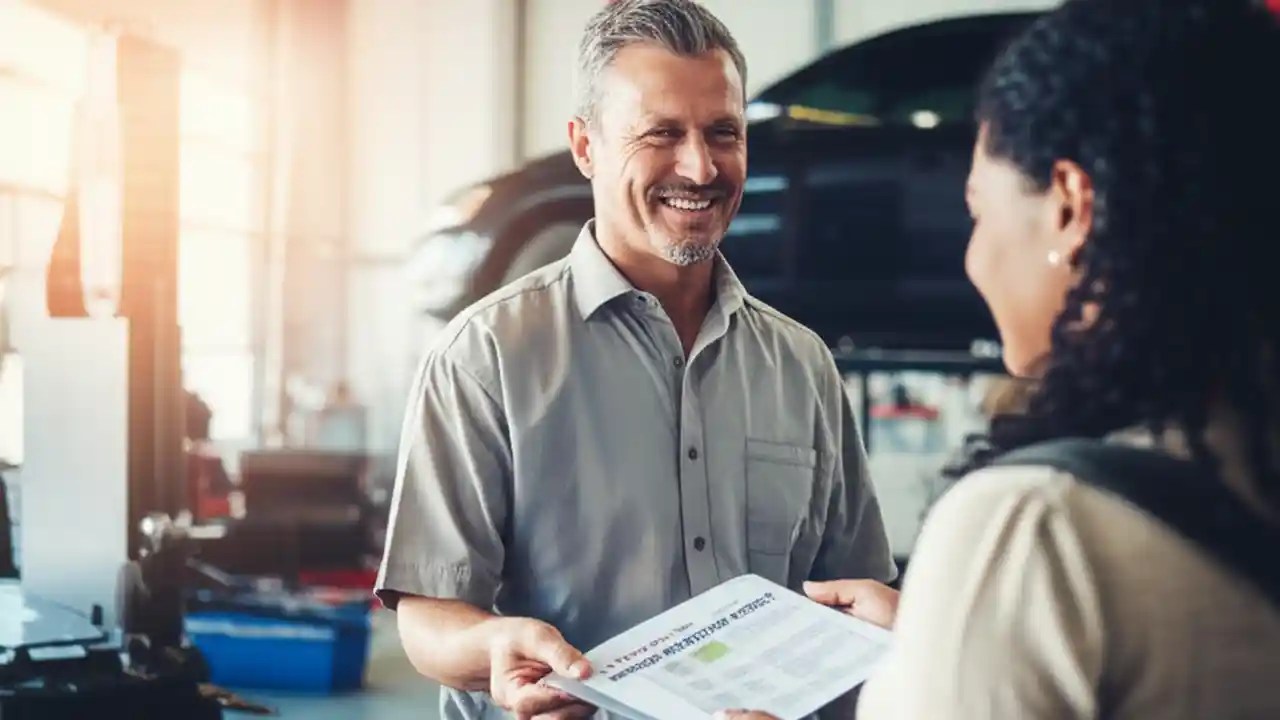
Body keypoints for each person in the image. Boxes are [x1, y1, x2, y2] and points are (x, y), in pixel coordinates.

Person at [718, 0, 1280, 718]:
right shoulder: (1250, 459)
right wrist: (952, 635)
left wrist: (985, 605)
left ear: (1070, 208)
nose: (973, 258)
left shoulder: (1036, 530)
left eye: (978, 211)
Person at [374, 1, 896, 718]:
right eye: (662, 134)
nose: (700, 166)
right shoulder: (487, 355)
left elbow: (858, 604)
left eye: (724, 133)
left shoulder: (801, 366)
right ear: (585, 147)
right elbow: (430, 611)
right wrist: (494, 646)